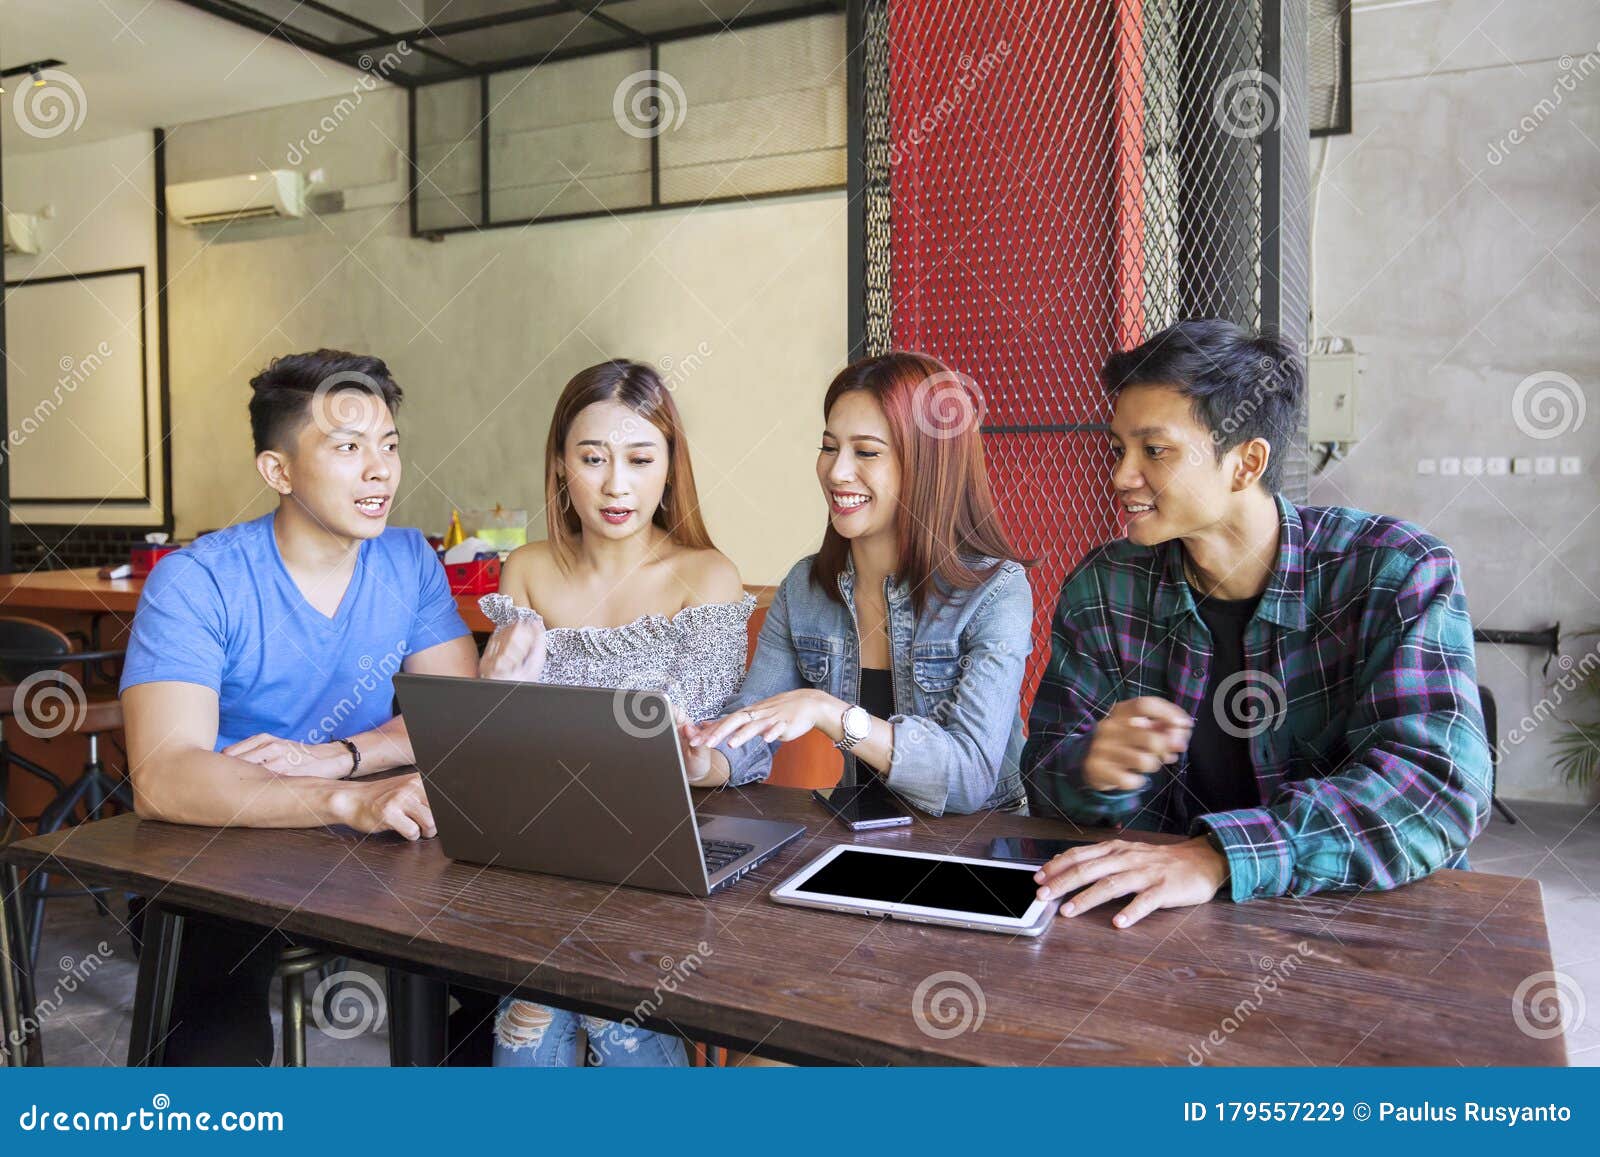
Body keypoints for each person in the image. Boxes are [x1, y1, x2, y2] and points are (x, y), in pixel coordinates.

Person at [1023, 319, 1491, 928]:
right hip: (1162, 931)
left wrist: (1221, 857)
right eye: (1119, 449)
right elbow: (1044, 782)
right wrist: (1091, 769)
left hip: (1362, 929)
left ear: (1246, 463)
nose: (1120, 477)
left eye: (1154, 450)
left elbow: (1436, 791)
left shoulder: (1395, 572)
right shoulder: (1104, 587)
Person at [120, 349, 480, 1065]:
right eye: (348, 447)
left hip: (378, 853)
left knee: (516, 1005)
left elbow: (458, 719)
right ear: (277, 471)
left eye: (389, 445)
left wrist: (348, 759)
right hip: (224, 853)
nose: (380, 470)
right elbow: (163, 776)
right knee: (212, 1041)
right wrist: (344, 800)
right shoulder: (197, 582)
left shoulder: (410, 561)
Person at [477, 359, 748, 1067]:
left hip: (662, 860)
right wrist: (492, 689)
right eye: (592, 457)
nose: (616, 484)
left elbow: (706, 762)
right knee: (530, 1024)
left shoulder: (705, 574)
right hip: (546, 859)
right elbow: (503, 754)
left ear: (669, 465)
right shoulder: (528, 568)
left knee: (612, 1022)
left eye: (639, 458)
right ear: (562, 465)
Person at [686, 351, 1032, 818]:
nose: (836, 471)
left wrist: (831, 713)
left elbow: (968, 779)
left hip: (981, 853)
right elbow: (752, 726)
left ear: (928, 464)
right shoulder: (805, 588)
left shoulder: (995, 590)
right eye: (829, 447)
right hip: (863, 837)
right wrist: (704, 761)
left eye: (865, 452)